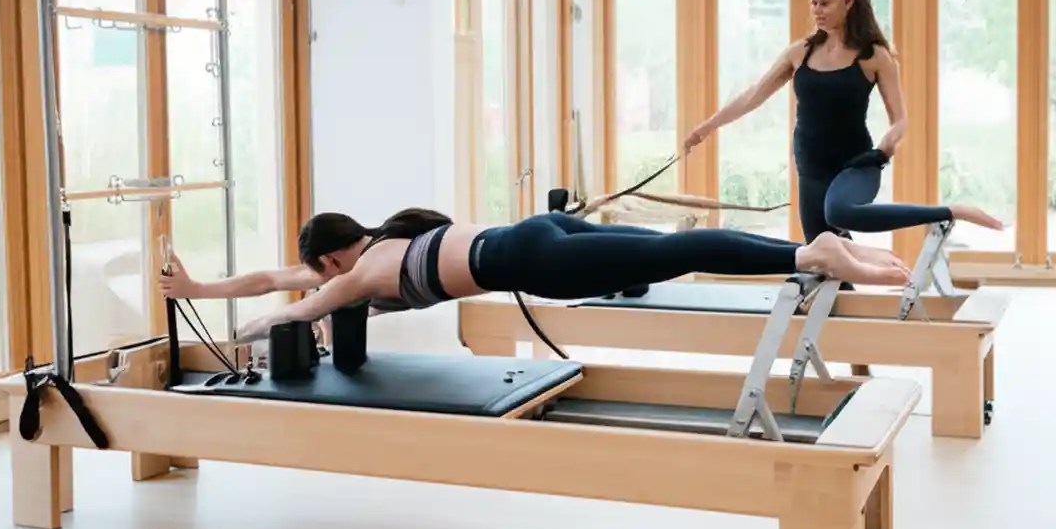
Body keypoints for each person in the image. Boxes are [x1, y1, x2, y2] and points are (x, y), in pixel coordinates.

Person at [159, 207, 913, 344]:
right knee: (660, 250)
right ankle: (809, 247)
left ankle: (808, 255)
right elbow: (272, 277)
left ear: (331, 261)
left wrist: (239, 334)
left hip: (529, 261)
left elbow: (288, 305)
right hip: (532, 231)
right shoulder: (385, 240)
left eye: (317, 275)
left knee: (674, 253)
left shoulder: (358, 277)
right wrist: (197, 291)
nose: (315, 284)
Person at [682, 0, 1004, 243]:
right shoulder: (800, 52)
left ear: (848, 1)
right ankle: (859, 284)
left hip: (857, 165)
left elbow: (900, 119)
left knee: (839, 212)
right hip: (811, 168)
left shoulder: (874, 56)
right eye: (813, 3)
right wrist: (706, 128)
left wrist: (889, 142)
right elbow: (753, 94)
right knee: (824, 255)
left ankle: (948, 212)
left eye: (825, 3)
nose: (817, 10)